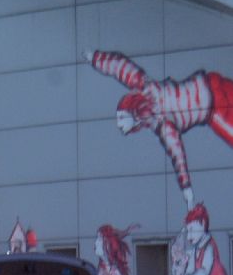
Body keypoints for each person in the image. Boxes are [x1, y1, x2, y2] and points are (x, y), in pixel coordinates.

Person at [89, 50, 233, 208]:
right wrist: (94, 57)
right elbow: (120, 67)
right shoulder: (145, 85)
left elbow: (178, 157)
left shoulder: (162, 124)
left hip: (215, 110)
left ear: (136, 119)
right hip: (210, 82)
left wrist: (188, 193)